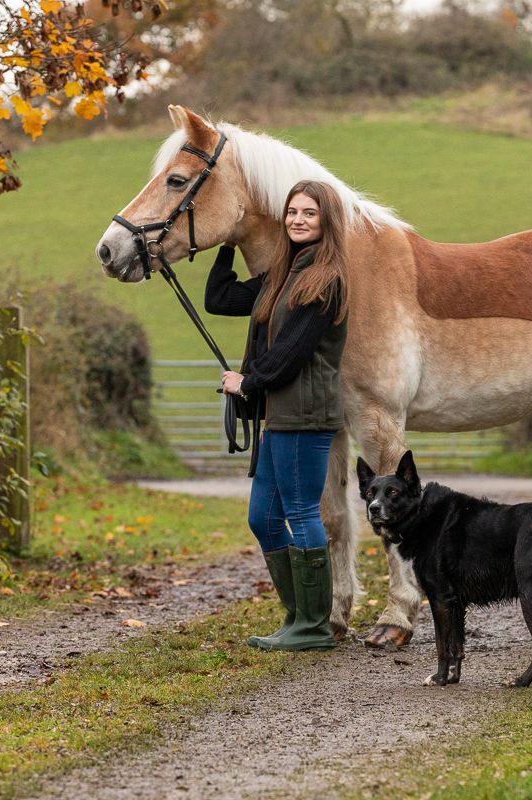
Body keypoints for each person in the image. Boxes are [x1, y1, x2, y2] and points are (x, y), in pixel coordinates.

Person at [204, 179, 349, 652]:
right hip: (280, 417)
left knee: (302, 512)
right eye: (292, 212)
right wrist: (226, 244)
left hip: (306, 416)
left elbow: (291, 353)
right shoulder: (282, 274)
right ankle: (297, 616)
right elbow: (219, 299)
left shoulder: (325, 280)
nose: (298, 220)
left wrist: (247, 382)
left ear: (326, 221)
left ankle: (313, 626)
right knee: (263, 518)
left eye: (309, 213)